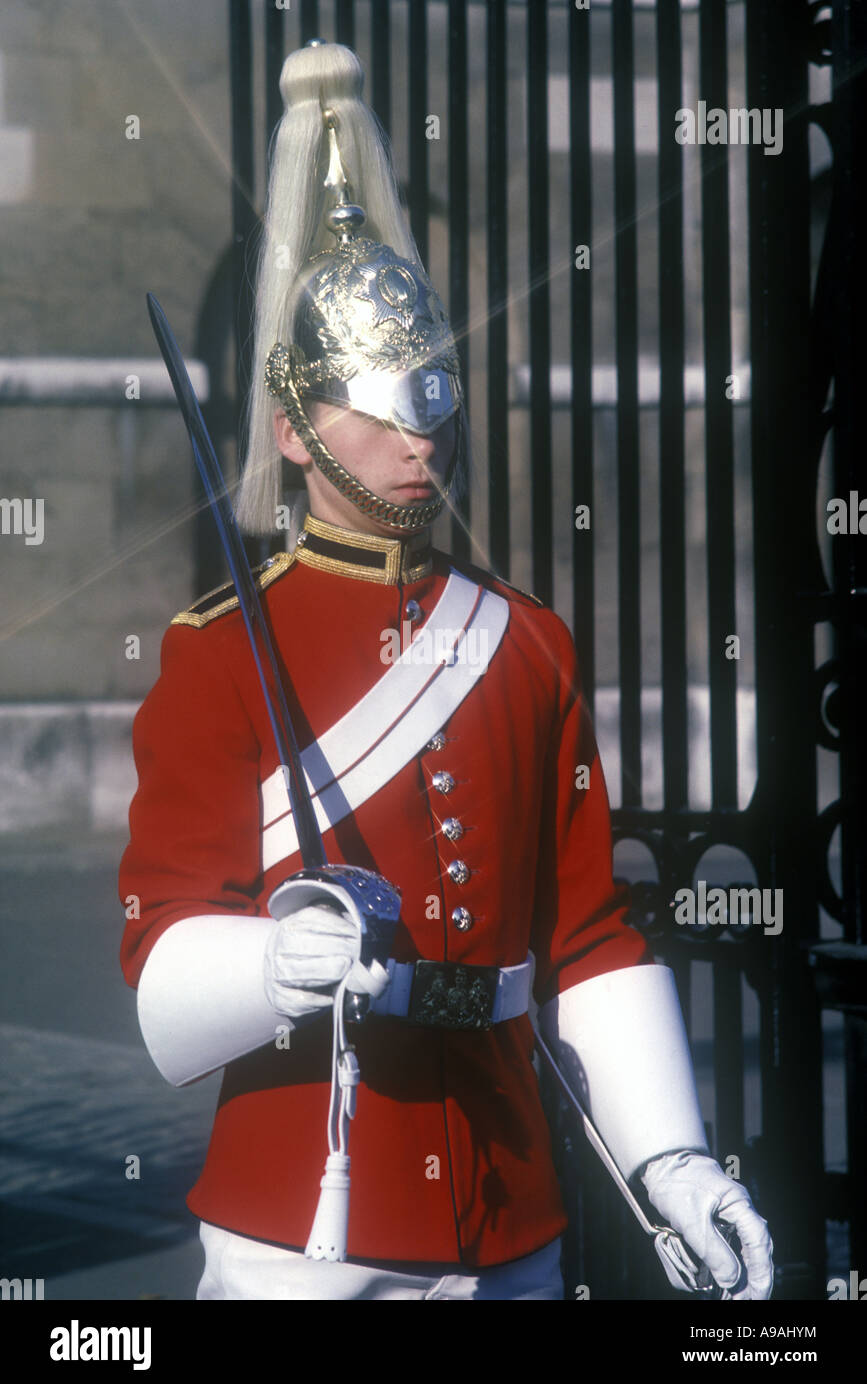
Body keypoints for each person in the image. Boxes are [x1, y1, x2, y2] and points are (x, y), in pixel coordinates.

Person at [119, 40, 773, 1302]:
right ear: (295, 428)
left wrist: (674, 1157)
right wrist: (268, 966)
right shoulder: (218, 651)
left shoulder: (525, 642)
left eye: (431, 401)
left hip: (510, 1212)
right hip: (308, 1213)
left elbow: (586, 937)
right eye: (378, 410)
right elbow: (157, 951)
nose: (417, 440)